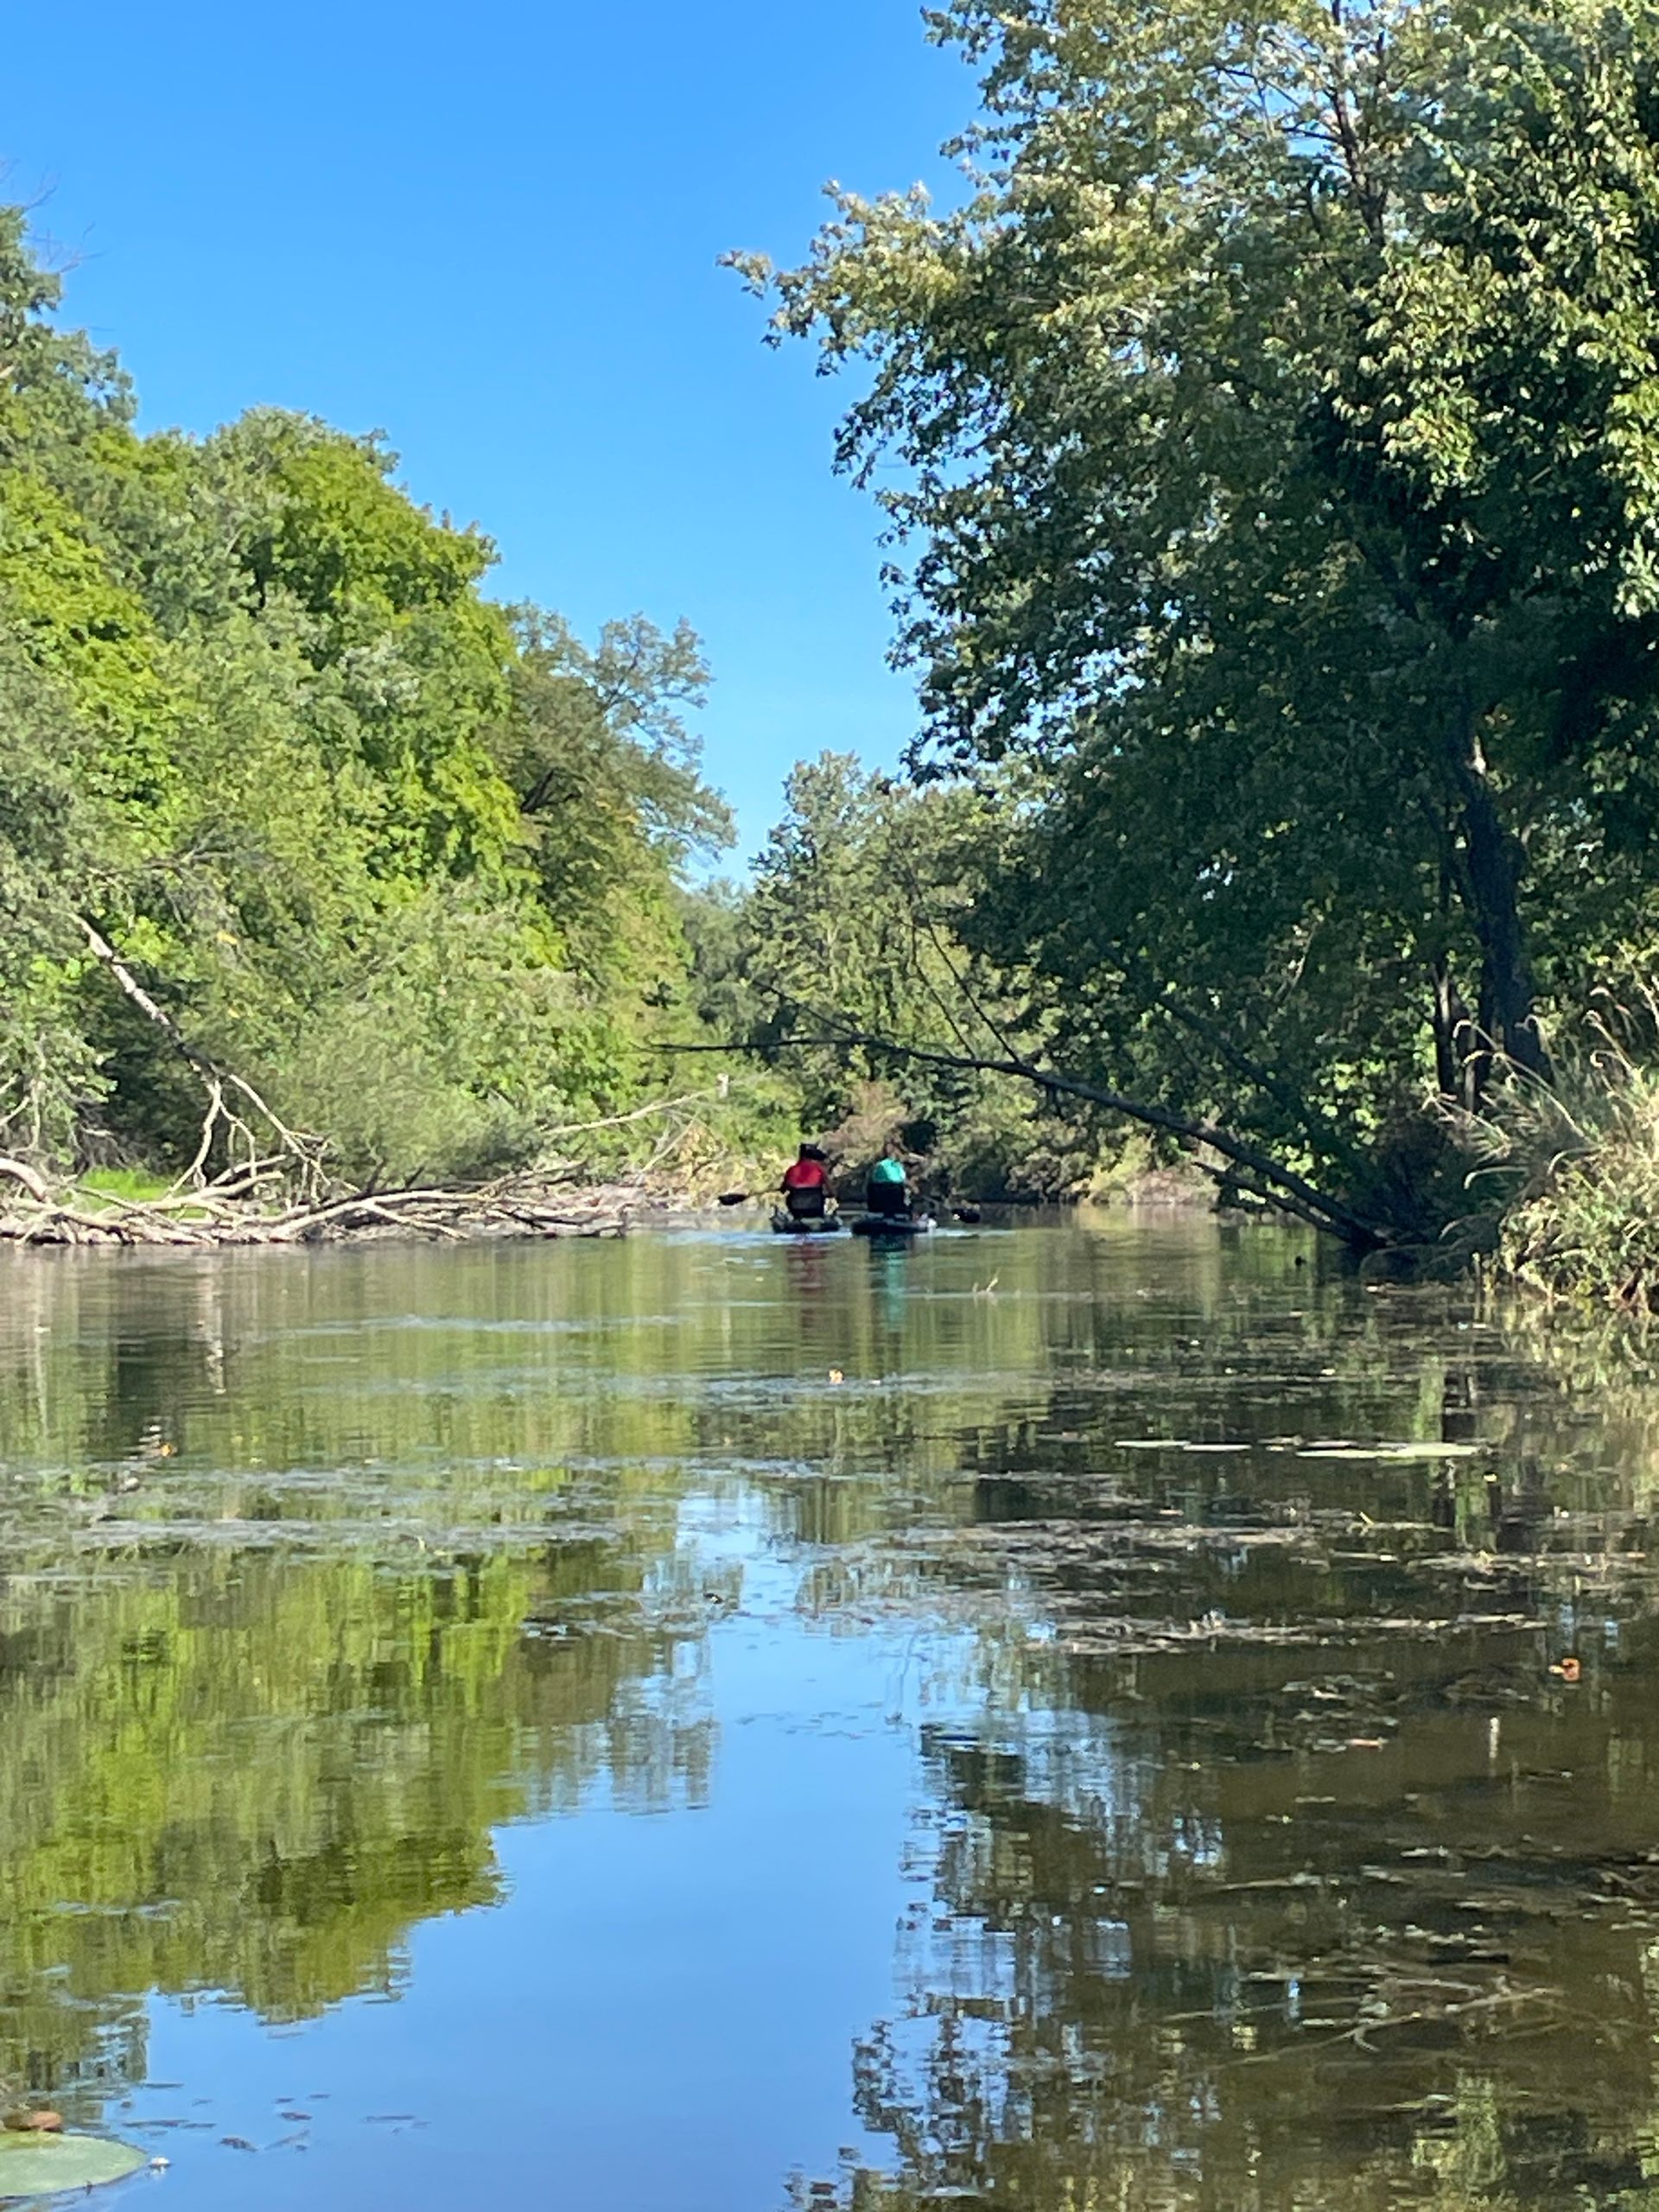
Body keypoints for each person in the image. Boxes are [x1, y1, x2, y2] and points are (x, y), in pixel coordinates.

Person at [781, 1143, 830, 1219]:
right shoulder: (820, 1170)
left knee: (789, 1197)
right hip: (816, 1206)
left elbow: (783, 1190)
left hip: (796, 1208)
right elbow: (831, 1191)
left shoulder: (792, 1170)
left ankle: (795, 1219)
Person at [865, 1147, 911, 1218]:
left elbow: (872, 1179)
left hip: (879, 1196)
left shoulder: (878, 1166)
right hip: (895, 1195)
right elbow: (903, 1179)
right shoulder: (897, 1166)